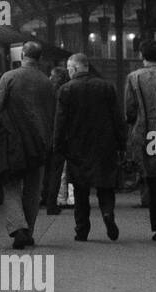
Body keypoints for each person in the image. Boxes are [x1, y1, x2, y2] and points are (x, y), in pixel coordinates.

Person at [0, 40, 55, 250]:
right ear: (40, 58)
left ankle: (18, 228)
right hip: (39, 143)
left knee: (11, 184)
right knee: (33, 190)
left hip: (13, 142)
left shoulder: (9, 77)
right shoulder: (47, 83)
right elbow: (53, 114)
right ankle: (28, 232)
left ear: (22, 55)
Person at [54, 53, 126, 242]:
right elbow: (117, 117)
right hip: (105, 145)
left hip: (77, 146)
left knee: (80, 190)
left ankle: (82, 230)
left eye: (69, 68)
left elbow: (60, 122)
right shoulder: (106, 87)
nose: (68, 72)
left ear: (75, 68)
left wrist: (58, 145)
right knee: (105, 186)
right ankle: (108, 213)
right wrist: (122, 143)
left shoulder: (66, 90)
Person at [124, 40, 156, 240]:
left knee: (152, 180)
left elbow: (129, 110)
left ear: (141, 55)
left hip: (146, 133)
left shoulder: (134, 77)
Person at [42, 64, 70, 214]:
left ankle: (43, 198)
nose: (49, 77)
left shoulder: (44, 92)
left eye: (51, 75)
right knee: (56, 172)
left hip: (44, 136)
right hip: (59, 137)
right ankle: (51, 204)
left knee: (45, 171)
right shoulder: (65, 92)